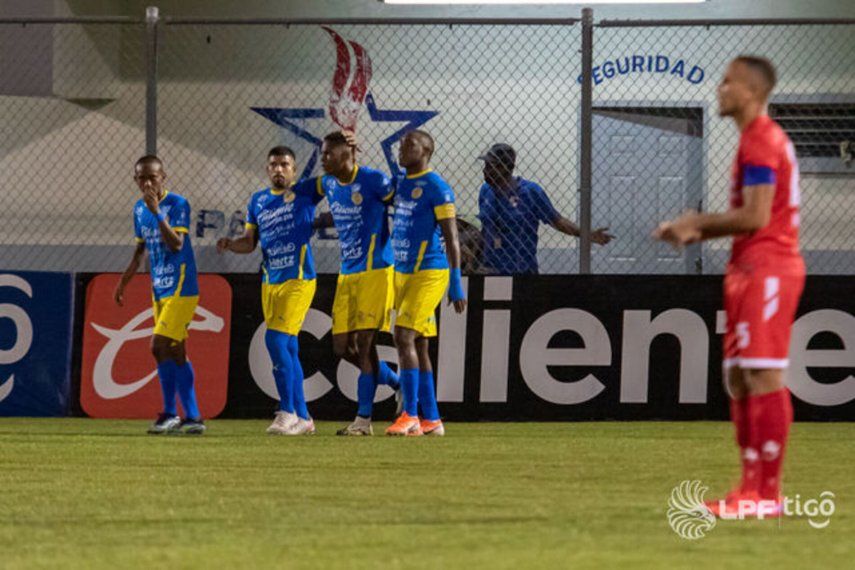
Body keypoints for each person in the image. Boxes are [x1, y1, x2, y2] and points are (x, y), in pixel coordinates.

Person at [654, 55, 804, 518]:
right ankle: (749, 489)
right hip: (748, 267)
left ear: (752, 91)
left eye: (727, 82)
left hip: (770, 266)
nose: (719, 89)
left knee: (762, 373)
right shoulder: (751, 141)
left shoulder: (762, 140)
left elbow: (757, 218)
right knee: (739, 378)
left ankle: (767, 494)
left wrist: (695, 224)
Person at [217, 146, 321, 435]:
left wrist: (347, 148)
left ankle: (286, 411)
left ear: (294, 170)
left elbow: (336, 178)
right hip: (270, 280)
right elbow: (249, 243)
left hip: (298, 278)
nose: (279, 169)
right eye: (274, 164)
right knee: (288, 347)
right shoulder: (258, 201)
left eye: (285, 164)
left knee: (275, 340)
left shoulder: (305, 192)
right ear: (267, 169)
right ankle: (304, 418)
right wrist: (230, 244)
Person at [316, 132, 401, 436]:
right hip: (347, 273)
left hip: (376, 270)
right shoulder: (327, 184)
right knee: (342, 348)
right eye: (323, 154)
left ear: (347, 153)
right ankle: (396, 382)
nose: (323, 159)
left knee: (365, 345)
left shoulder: (373, 180)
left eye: (328, 154)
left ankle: (363, 421)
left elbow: (401, 198)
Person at [114, 155, 204, 435]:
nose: (148, 182)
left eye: (153, 177)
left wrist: (158, 212)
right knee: (176, 350)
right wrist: (123, 282)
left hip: (182, 288)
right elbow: (140, 251)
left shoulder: (177, 204)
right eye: (142, 177)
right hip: (159, 289)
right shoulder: (139, 209)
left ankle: (168, 413)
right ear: (135, 180)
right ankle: (192, 417)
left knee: (157, 345)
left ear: (163, 177)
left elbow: (177, 244)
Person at [386, 130, 467, 437]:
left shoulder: (437, 187)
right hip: (403, 272)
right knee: (419, 344)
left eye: (409, 145)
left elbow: (452, 236)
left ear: (426, 151)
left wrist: (455, 280)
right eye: (401, 145)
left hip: (429, 272)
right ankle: (432, 420)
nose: (401, 150)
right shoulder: (400, 183)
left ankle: (409, 414)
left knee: (402, 336)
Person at [477, 143, 612, 274]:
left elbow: (557, 221)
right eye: (485, 166)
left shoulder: (530, 192)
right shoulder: (485, 191)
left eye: (490, 166)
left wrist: (585, 234)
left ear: (507, 168)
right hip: (491, 271)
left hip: (521, 271)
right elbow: (486, 228)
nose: (485, 170)